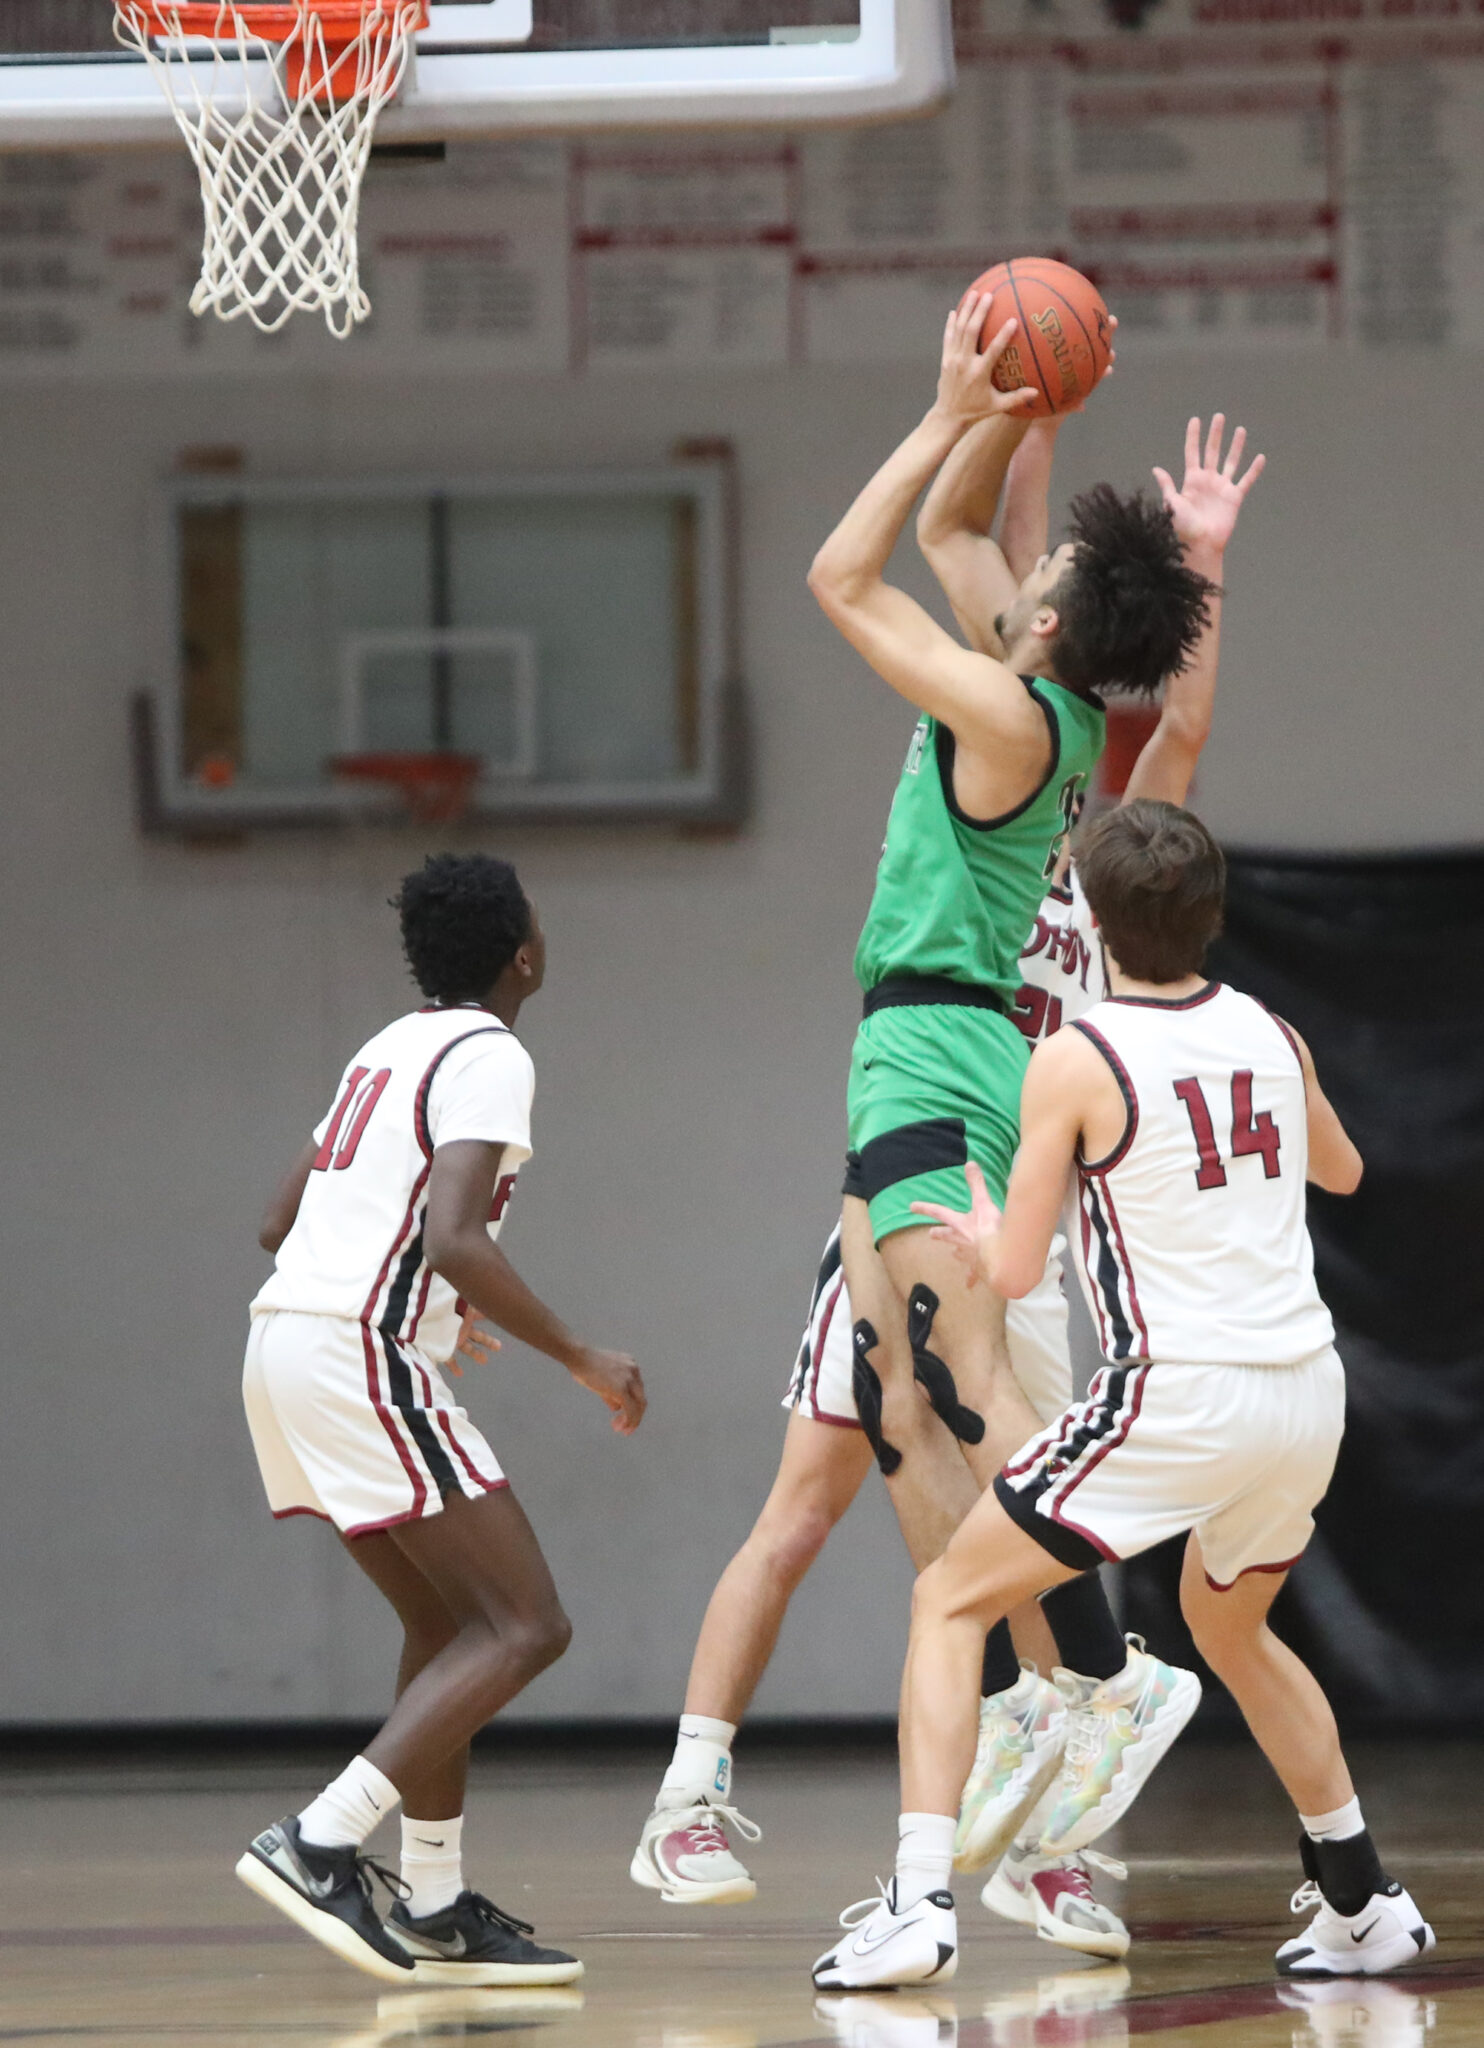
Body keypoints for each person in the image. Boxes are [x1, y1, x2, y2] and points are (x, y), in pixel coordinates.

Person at [633, 414, 1261, 1962]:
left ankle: (1080, 1708)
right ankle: (728, 1783)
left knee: (978, 1430)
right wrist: (1026, 434)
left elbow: (1146, 716)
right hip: (938, 1127)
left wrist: (1192, 573)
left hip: (985, 1143)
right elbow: (987, 559)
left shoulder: (1081, 836)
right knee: (885, 1444)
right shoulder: (1032, 741)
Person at [813, 801, 1434, 1990]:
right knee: (1232, 1626)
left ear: (1089, 921)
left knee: (948, 1598)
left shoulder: (1077, 1054)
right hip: (1303, 1394)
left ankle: (917, 1906)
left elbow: (1006, 1270)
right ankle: (1360, 1897)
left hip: (1177, 1395)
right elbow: (1343, 1170)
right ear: (1214, 913)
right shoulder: (1268, 1029)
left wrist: (988, 1222)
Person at [236, 854, 646, 1987]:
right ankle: (319, 1840)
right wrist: (579, 1354)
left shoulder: (386, 1044)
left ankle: (430, 1900)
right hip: (353, 1352)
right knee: (528, 1624)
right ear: (522, 950)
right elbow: (458, 1235)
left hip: (287, 1342)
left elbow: (282, 1219)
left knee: (445, 1623)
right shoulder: (488, 1053)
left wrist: (423, 1296)